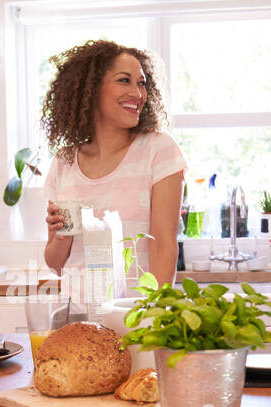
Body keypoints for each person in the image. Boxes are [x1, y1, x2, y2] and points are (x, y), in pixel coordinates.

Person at [41, 40, 186, 302]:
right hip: (79, 321)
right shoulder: (64, 163)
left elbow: (164, 247)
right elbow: (56, 264)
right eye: (124, 80)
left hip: (136, 320)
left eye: (141, 83)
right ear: (92, 89)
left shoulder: (158, 150)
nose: (138, 93)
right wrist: (62, 235)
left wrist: (151, 317)